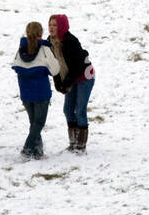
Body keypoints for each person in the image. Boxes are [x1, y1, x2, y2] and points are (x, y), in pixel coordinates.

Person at [10, 21, 59, 159]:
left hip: (25, 92)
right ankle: (26, 150)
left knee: (33, 123)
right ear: (41, 33)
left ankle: (38, 151)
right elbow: (55, 70)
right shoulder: (44, 49)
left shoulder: (20, 49)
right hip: (41, 92)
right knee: (39, 123)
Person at [48, 14, 95, 152]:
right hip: (71, 78)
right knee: (68, 109)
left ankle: (81, 145)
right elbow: (54, 65)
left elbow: (76, 66)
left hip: (84, 77)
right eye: (50, 24)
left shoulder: (71, 41)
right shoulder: (50, 42)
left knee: (80, 110)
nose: (51, 28)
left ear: (61, 26)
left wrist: (66, 82)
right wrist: (59, 84)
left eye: (55, 25)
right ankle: (73, 143)